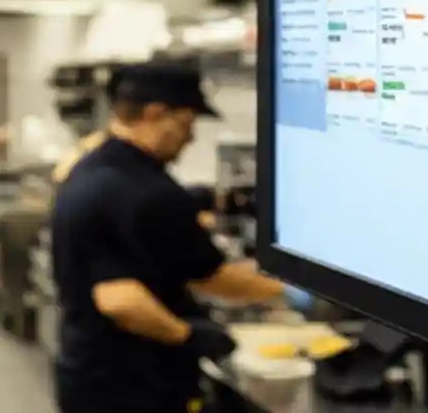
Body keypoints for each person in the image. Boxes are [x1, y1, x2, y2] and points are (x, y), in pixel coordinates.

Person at [51, 63, 294, 413]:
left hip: (87, 373)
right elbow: (122, 299)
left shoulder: (94, 167)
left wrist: (205, 199)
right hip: (135, 387)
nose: (191, 137)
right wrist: (294, 288)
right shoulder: (148, 192)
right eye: (187, 123)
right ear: (156, 114)